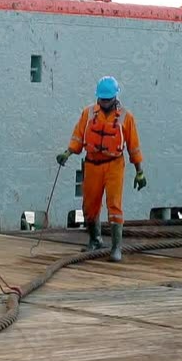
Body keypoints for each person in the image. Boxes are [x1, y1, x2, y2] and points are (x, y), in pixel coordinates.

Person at [57, 75, 146, 262]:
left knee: (114, 205)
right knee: (90, 205)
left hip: (114, 165)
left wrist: (139, 172)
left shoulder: (126, 118)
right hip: (92, 165)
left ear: (115, 97)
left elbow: (134, 146)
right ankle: (95, 240)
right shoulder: (88, 113)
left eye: (108, 99)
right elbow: (77, 137)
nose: (104, 102)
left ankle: (116, 247)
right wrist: (67, 153)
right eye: (102, 99)